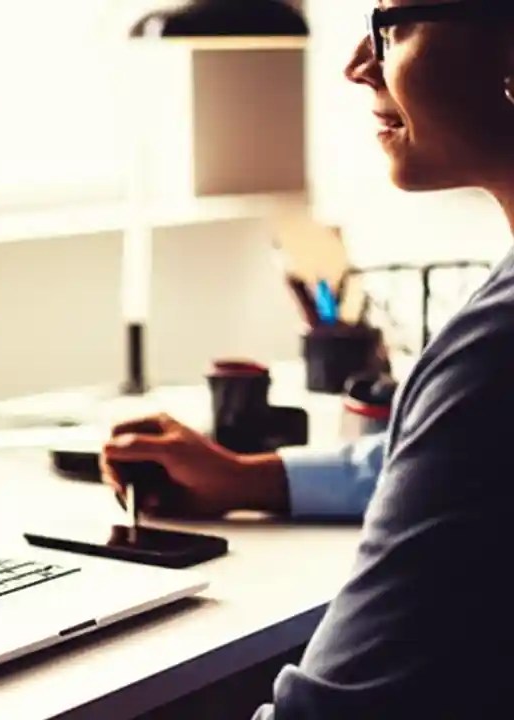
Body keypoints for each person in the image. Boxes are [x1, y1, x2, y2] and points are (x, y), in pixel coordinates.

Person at [102, 2, 514, 717]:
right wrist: (252, 479)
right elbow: (455, 463)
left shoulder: (493, 357)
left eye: (394, 26)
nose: (359, 66)